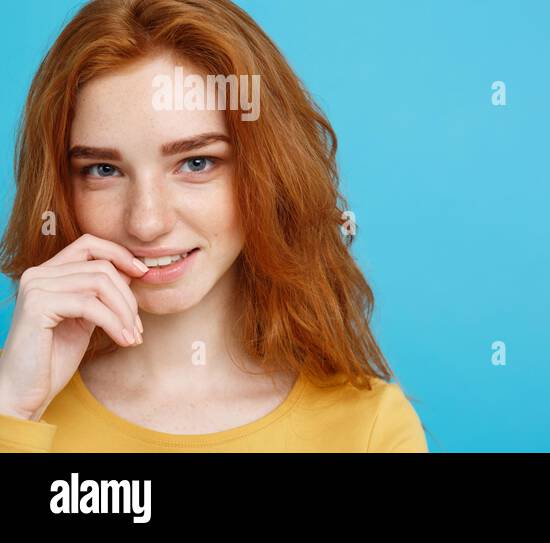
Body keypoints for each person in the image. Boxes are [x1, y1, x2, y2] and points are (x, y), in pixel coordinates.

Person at [0, 0, 428, 452]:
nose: (147, 223)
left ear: (268, 172)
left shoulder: (368, 428)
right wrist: (10, 411)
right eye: (103, 170)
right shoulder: (11, 401)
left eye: (196, 162)